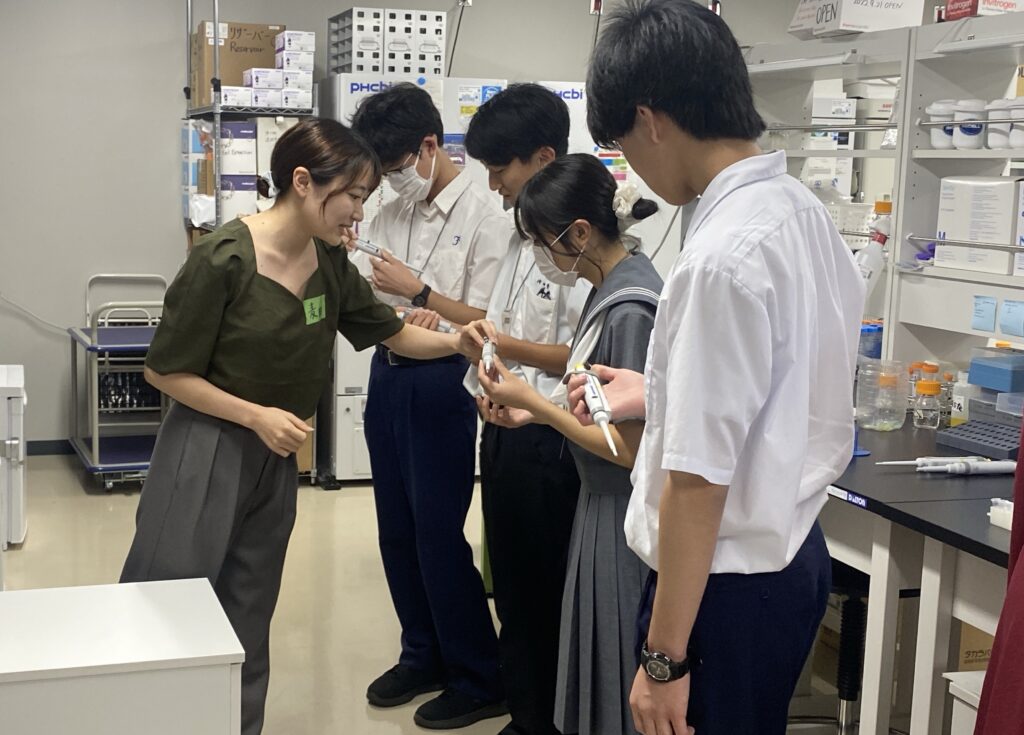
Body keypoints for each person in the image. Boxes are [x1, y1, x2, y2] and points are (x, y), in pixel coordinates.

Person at [572, 2, 867, 734]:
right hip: (792, 556)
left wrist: (664, 660)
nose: (632, 168)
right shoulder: (802, 212)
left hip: (717, 589)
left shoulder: (717, 259)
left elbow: (699, 481)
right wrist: (661, 392)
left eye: (623, 145)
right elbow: (778, 386)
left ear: (653, 119)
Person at [121, 118, 468, 735]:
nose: (358, 216)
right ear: (303, 182)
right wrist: (253, 415)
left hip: (274, 460)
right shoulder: (222, 258)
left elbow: (392, 333)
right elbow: (165, 371)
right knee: (169, 600)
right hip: (205, 450)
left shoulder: (329, 264)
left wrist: (462, 342)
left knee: (249, 613)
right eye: (353, 197)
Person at [474, 153, 663, 735]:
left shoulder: (630, 308)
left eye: (541, 241)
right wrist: (536, 415)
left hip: (619, 514)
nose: (540, 256)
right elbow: (599, 409)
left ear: (579, 232)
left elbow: (627, 449)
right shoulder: (609, 284)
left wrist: (534, 403)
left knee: (615, 668)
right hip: (596, 503)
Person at [349, 83, 509, 730]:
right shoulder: (391, 207)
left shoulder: (486, 212)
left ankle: (479, 672)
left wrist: (424, 292)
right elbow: (372, 290)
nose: (390, 183)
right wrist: (406, 300)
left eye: (393, 168)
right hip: (389, 372)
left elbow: (494, 318)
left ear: (429, 146)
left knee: (439, 534)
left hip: (447, 383)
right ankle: (422, 653)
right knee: (396, 530)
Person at [458, 83, 589, 735]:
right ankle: (525, 710)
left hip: (555, 437)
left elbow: (589, 351)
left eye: (499, 169)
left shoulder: (586, 233)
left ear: (541, 157)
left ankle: (555, 718)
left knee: (549, 588)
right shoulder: (518, 231)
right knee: (508, 579)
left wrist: (506, 347)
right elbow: (500, 318)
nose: (493, 185)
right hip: (503, 425)